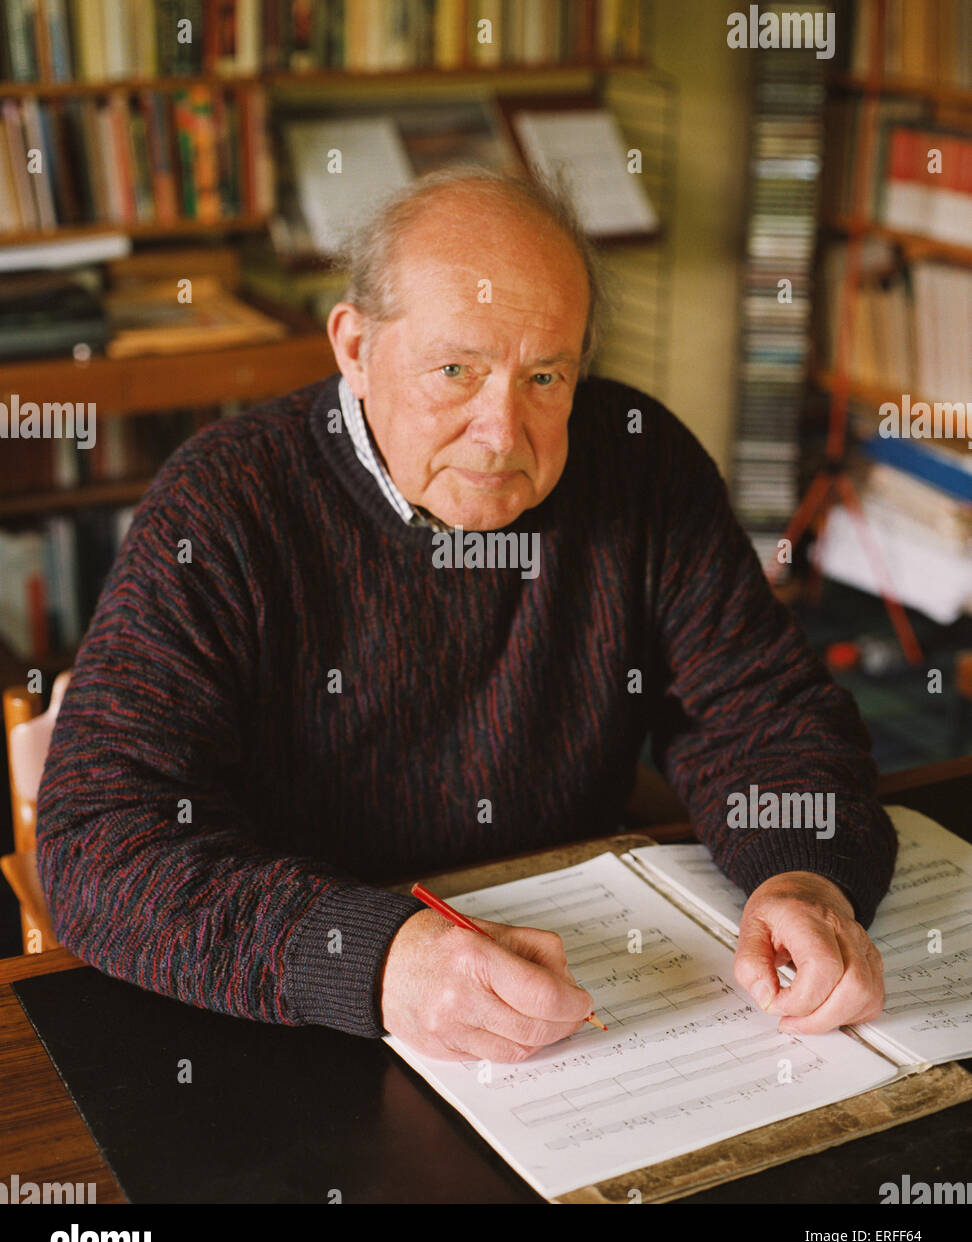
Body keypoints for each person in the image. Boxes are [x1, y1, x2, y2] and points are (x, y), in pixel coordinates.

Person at [35, 166, 892, 1064]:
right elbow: (100, 839)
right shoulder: (224, 506)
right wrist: (377, 961)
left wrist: (806, 875)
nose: (501, 433)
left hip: (583, 1003)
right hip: (296, 1017)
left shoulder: (644, 467)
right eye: (456, 370)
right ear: (355, 348)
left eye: (546, 376)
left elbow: (767, 716)